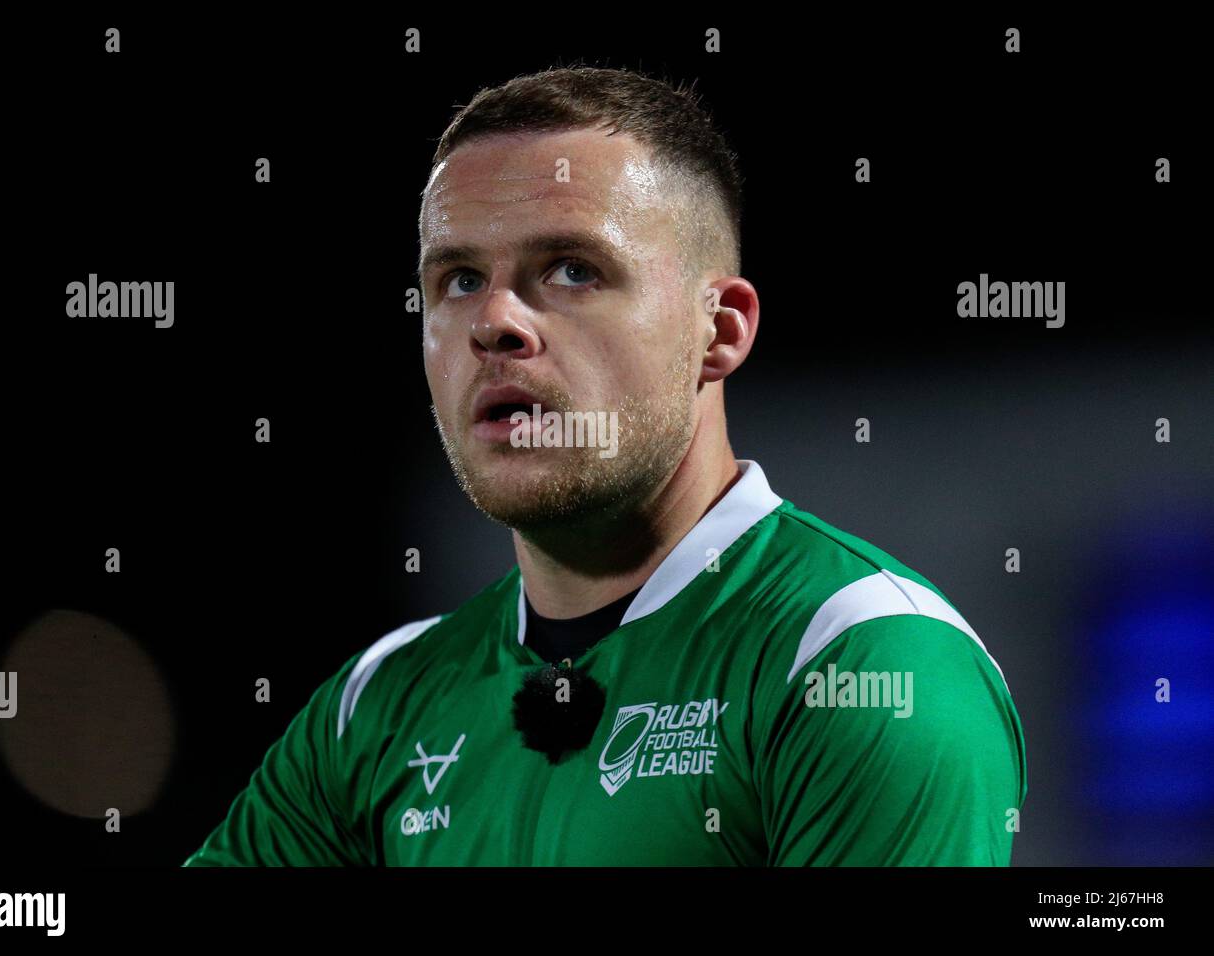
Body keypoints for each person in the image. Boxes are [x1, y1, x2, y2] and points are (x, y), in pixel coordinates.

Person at [184, 66, 1027, 866]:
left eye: (572, 270)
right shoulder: (374, 707)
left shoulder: (864, 664)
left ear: (720, 328)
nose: (495, 323)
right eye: (459, 279)